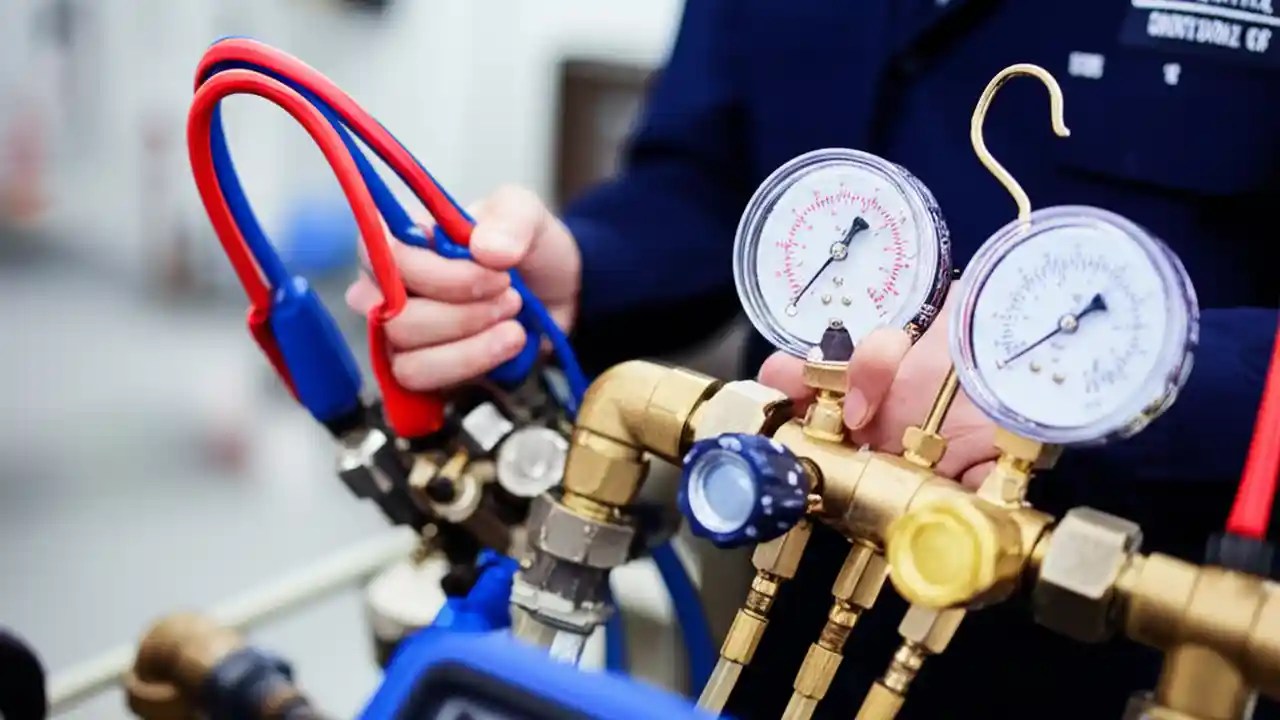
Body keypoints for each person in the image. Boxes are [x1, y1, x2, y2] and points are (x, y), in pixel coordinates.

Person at [347, 1, 1278, 717]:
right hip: (780, 588)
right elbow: (710, 180)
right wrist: (586, 268)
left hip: (1137, 639)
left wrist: (1103, 376)